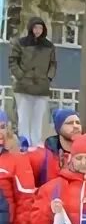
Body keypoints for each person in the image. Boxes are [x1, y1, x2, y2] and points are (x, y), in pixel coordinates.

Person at [9, 17, 56, 147]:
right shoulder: (21, 43)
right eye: (35, 28)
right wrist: (20, 76)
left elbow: (53, 64)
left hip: (42, 87)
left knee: (38, 118)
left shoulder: (49, 46)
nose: (38, 31)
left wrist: (49, 77)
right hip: (24, 86)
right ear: (31, 28)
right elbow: (13, 61)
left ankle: (35, 144)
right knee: (24, 117)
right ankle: (24, 142)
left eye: (40, 28)